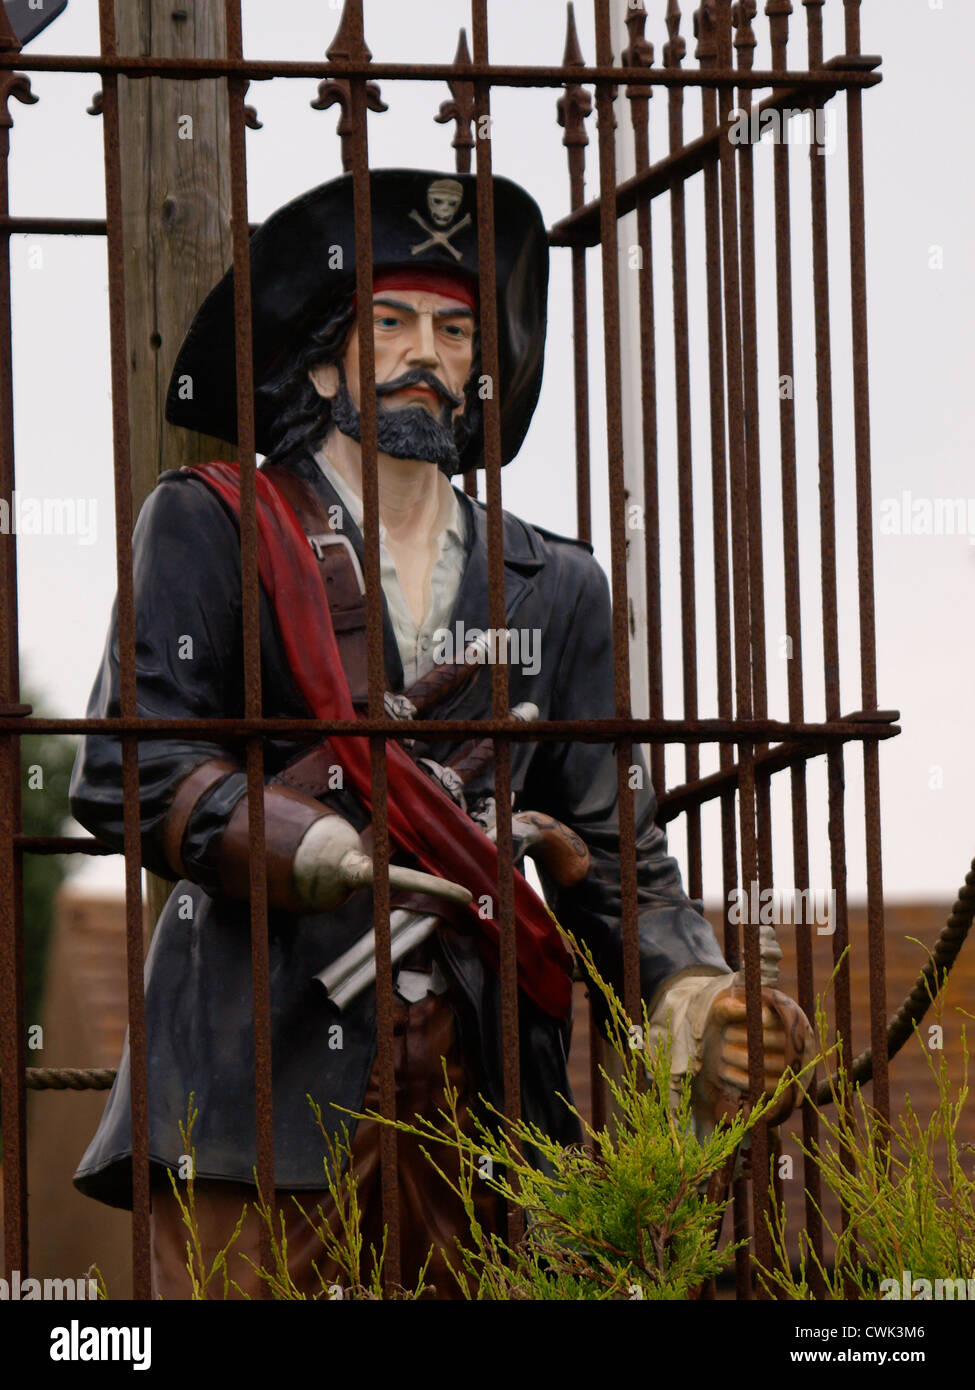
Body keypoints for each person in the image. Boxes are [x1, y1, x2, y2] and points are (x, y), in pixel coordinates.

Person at [70, 168, 810, 1299]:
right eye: (394, 321)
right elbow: (132, 761)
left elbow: (616, 844)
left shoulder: (554, 584)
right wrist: (300, 842)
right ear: (324, 355)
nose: (429, 352)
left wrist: (691, 992)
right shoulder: (211, 526)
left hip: (475, 1083)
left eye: (456, 329)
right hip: (256, 1070)